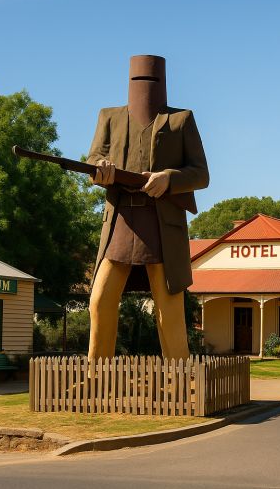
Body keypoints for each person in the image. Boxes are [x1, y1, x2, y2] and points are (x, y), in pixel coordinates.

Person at [86, 54, 209, 360]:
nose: (144, 86)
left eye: (151, 79)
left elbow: (201, 174)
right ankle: (95, 375)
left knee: (169, 306)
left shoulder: (181, 120)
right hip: (120, 223)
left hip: (162, 226)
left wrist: (169, 179)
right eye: (138, 79)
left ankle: (180, 379)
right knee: (99, 301)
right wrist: (100, 169)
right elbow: (92, 161)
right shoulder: (109, 118)